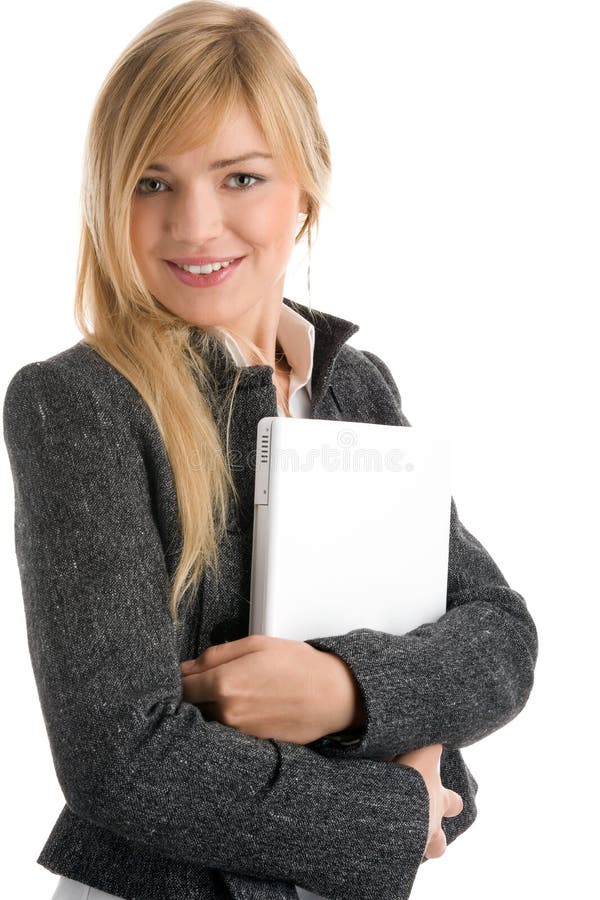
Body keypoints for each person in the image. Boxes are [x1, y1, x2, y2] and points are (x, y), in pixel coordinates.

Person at [2, 2, 538, 899]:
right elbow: (123, 759)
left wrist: (344, 691)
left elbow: (498, 639)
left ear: (307, 187)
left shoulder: (357, 387)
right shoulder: (79, 403)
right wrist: (403, 812)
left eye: (241, 178)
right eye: (151, 183)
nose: (196, 225)